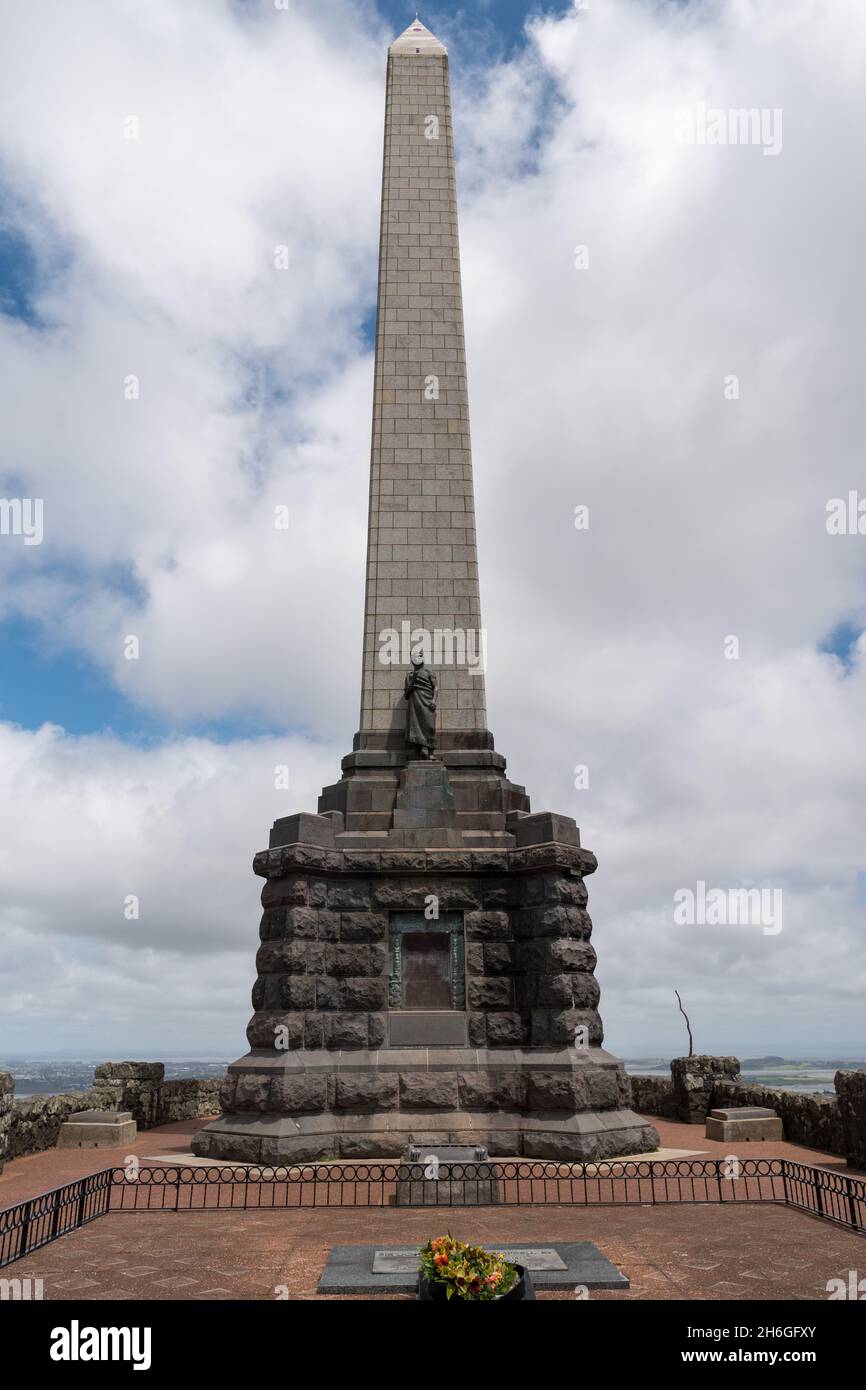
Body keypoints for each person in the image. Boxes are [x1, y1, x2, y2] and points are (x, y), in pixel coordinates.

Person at [404, 651, 437, 758]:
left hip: (427, 702)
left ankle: (431, 752)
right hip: (414, 703)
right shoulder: (409, 676)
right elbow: (406, 695)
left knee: (430, 726)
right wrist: (412, 683)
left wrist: (433, 700)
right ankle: (419, 752)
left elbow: (435, 688)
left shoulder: (429, 672)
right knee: (415, 726)